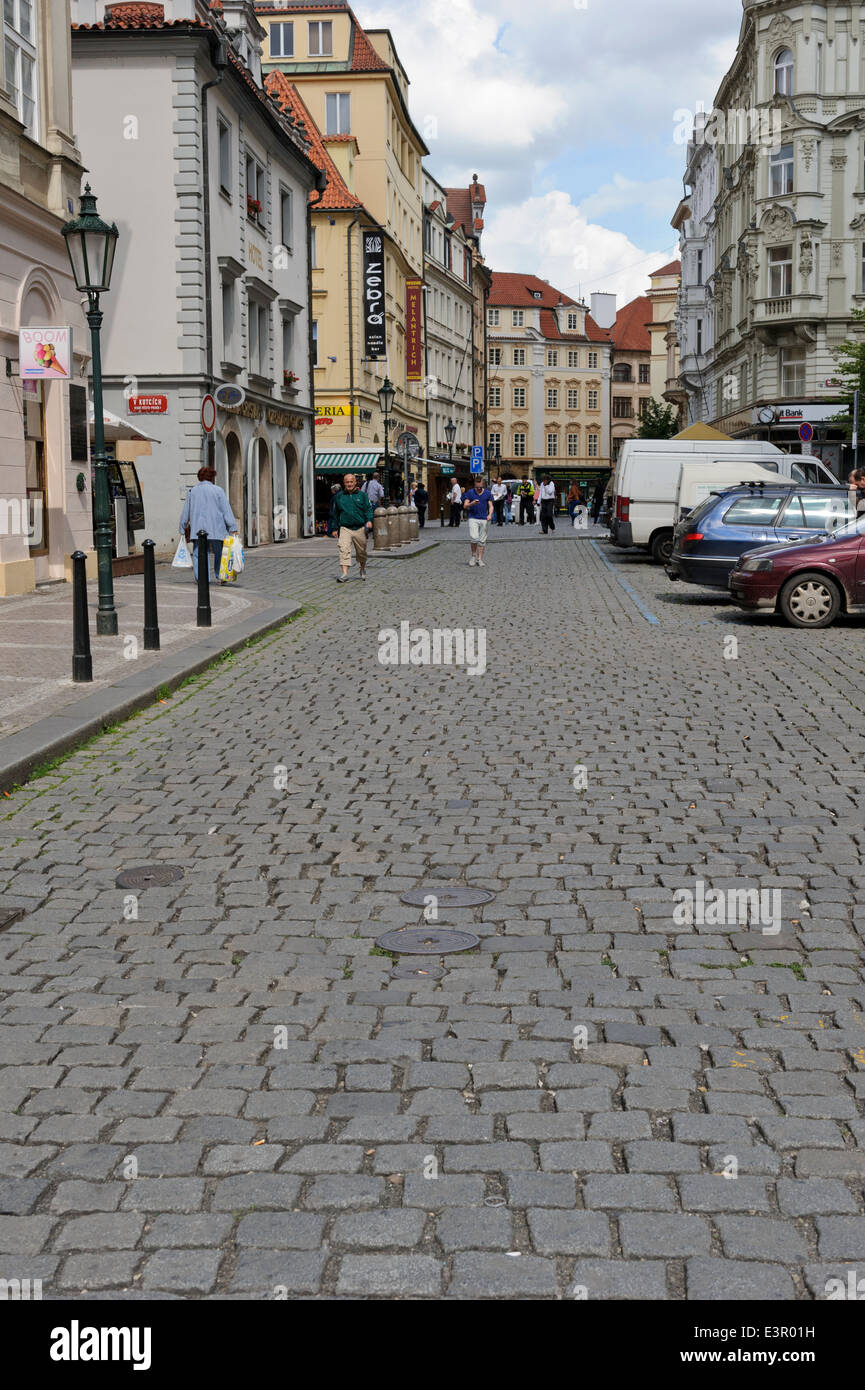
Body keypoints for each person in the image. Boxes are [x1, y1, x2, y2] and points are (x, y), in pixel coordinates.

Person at [179, 465, 238, 583]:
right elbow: (226, 510)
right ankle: (220, 576)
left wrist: (182, 526)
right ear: (212, 477)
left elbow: (186, 511)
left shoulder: (192, 491)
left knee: (198, 554)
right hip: (216, 528)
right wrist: (232, 527)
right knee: (220, 553)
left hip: (198, 529)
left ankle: (202, 578)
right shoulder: (218, 490)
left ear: (199, 477)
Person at [329, 472, 374, 582]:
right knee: (343, 549)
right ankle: (344, 574)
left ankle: (362, 568)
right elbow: (335, 514)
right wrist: (334, 528)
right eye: (347, 482)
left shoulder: (362, 495)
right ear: (344, 483)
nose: (349, 484)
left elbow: (368, 509)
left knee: (361, 552)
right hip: (345, 527)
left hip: (359, 528)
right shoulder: (339, 497)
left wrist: (369, 520)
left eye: (351, 482)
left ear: (355, 482)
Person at [462, 475, 494, 567]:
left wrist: (490, 515)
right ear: (474, 485)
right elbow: (465, 505)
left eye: (481, 487)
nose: (479, 489)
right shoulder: (470, 493)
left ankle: (480, 559)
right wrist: (472, 503)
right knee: (474, 537)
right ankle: (473, 556)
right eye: (477, 487)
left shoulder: (487, 493)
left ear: (483, 485)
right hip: (473, 518)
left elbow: (491, 506)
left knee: (482, 540)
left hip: (484, 518)